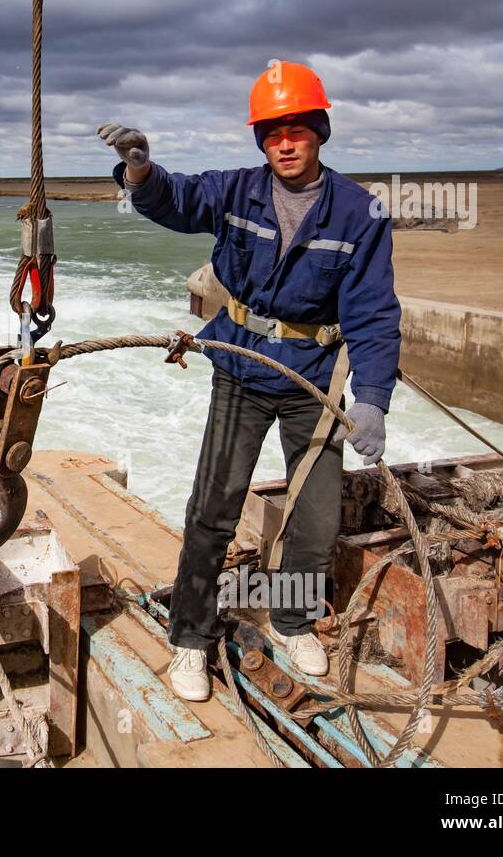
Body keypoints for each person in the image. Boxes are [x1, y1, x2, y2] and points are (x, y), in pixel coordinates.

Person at [97, 61, 401, 700]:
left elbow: (374, 311)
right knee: (214, 506)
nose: (285, 144)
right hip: (240, 366)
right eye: (272, 133)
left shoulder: (360, 213)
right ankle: (190, 636)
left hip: (313, 378)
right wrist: (141, 173)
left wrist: (372, 398)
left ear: (319, 132)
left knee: (316, 517)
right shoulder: (235, 191)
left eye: (297, 130)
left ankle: (292, 622)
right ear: (261, 141)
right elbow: (177, 200)